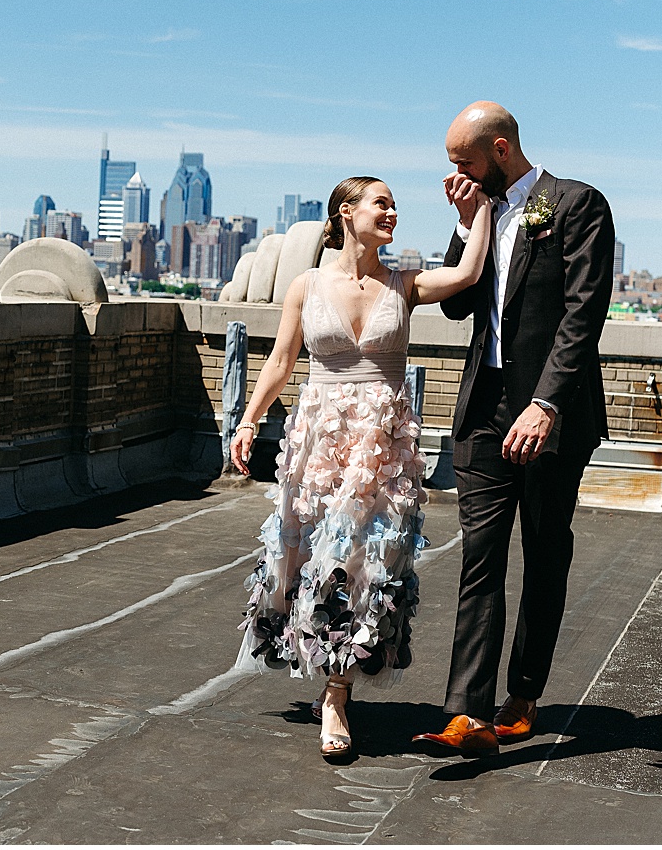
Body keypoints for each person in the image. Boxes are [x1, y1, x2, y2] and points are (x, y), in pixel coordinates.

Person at [230, 175, 492, 762]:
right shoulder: (306, 285)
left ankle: (336, 696)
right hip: (320, 442)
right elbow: (281, 360)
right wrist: (248, 420)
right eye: (381, 203)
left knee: (363, 564)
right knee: (312, 562)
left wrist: (478, 209)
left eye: (395, 205)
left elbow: (469, 273)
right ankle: (329, 679)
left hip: (382, 450)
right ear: (346, 212)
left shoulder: (405, 284)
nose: (392, 212)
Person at [413, 102, 615, 757]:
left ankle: (524, 693)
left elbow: (583, 316)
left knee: (545, 551)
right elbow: (456, 305)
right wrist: (465, 222)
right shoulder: (481, 212)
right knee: (481, 555)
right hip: (484, 410)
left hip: (551, 415)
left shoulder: (577, 205)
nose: (456, 174)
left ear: (500, 150)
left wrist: (547, 403)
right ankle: (467, 714)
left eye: (464, 162)